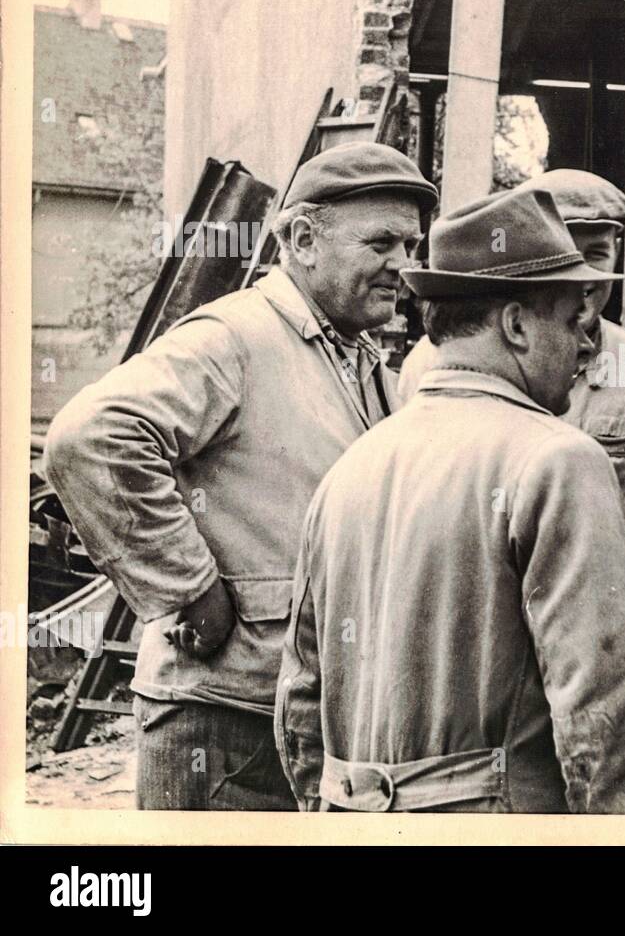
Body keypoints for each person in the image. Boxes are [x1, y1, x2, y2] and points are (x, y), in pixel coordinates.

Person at [44, 142, 436, 809]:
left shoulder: (355, 355)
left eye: (411, 245)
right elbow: (91, 437)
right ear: (304, 239)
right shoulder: (236, 337)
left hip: (296, 714)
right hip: (221, 717)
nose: (404, 266)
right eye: (381, 244)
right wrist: (191, 589)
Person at [276, 186, 625, 813]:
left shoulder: (352, 467)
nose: (587, 344)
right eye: (573, 319)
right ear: (516, 324)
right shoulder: (558, 460)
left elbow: (300, 706)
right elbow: (610, 724)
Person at [398, 170, 625, 791]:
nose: (584, 288)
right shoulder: (433, 367)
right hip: (474, 676)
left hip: (601, 668)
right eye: (567, 256)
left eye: (597, 258)